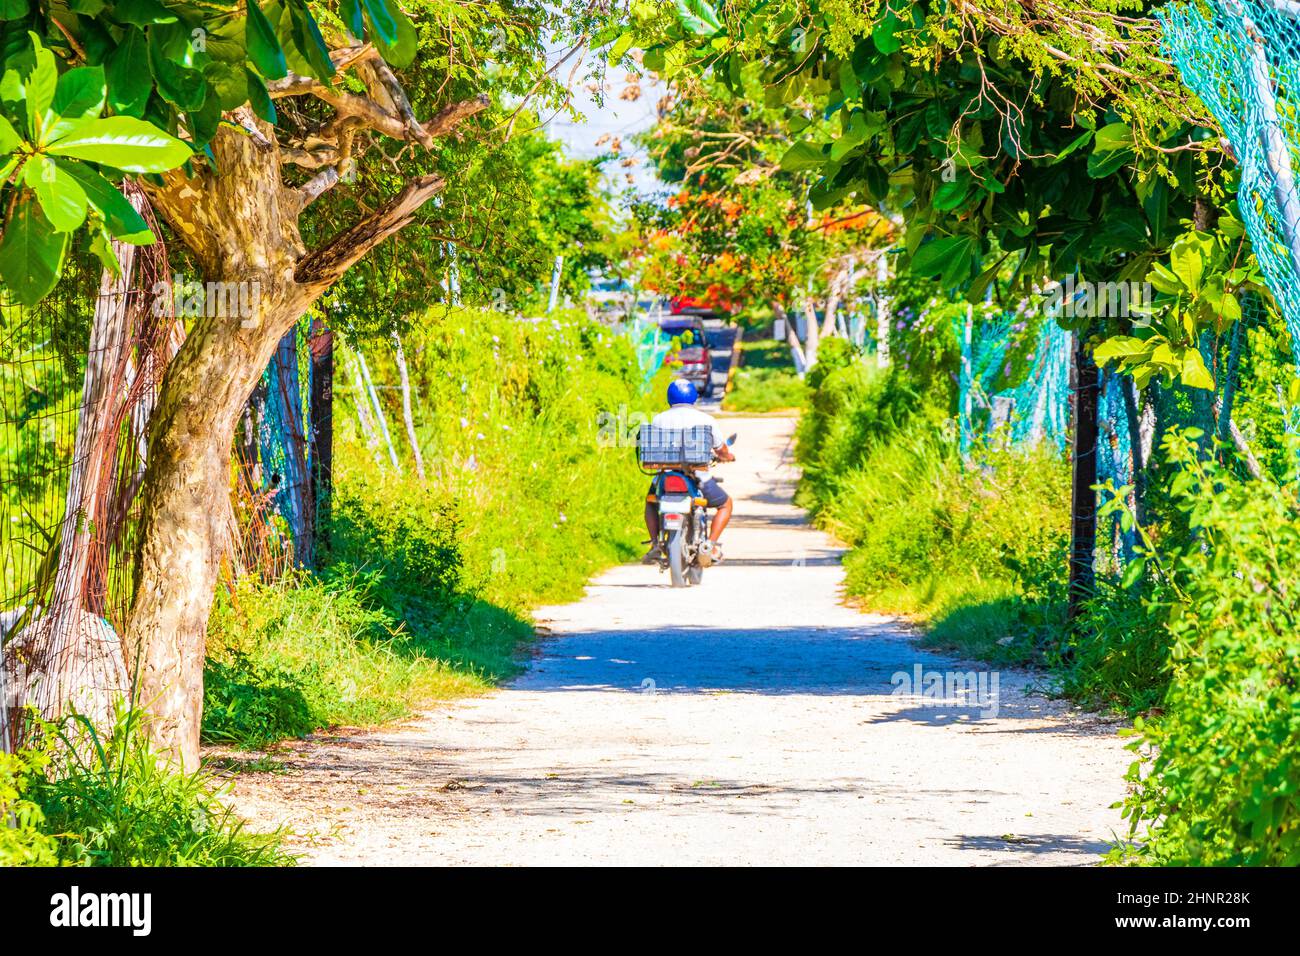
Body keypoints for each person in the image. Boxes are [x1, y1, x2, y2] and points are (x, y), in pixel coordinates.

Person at [643, 378, 734, 564]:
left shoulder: (658, 418)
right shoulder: (706, 419)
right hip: (698, 475)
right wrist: (727, 456)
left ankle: (654, 544)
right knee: (726, 504)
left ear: (670, 398)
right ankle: (710, 545)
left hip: (665, 475)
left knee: (650, 503)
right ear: (694, 397)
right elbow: (720, 448)